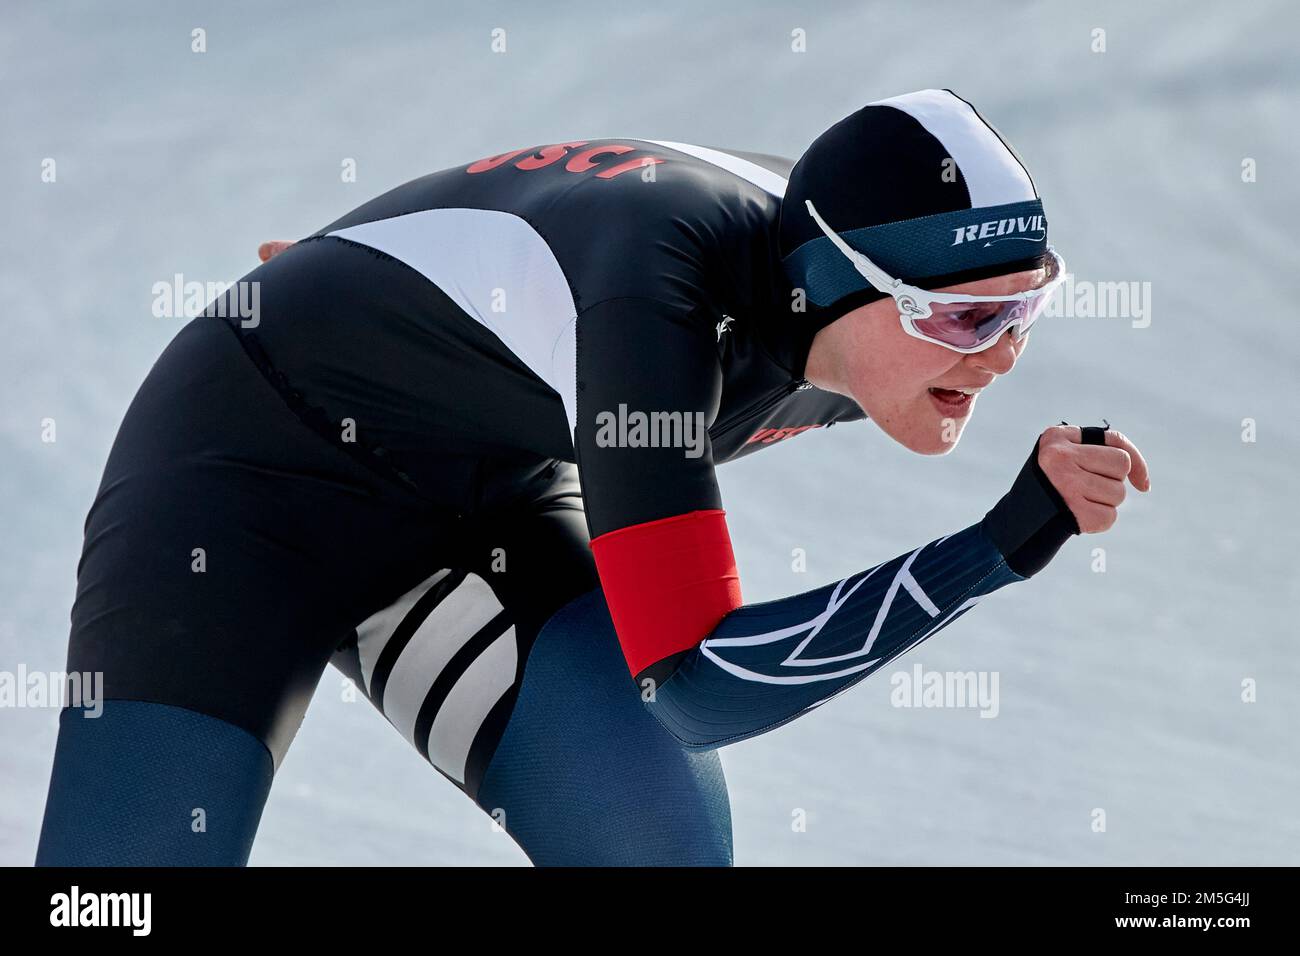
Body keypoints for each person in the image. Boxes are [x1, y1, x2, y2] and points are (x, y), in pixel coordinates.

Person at [36, 89, 1149, 866]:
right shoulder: (655, 308)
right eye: (963, 313)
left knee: (651, 842)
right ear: (828, 283)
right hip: (239, 482)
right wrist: (993, 547)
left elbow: (516, 224)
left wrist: (362, 279)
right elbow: (701, 683)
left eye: (1026, 305)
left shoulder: (832, 281)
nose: (1001, 354)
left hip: (476, 502)